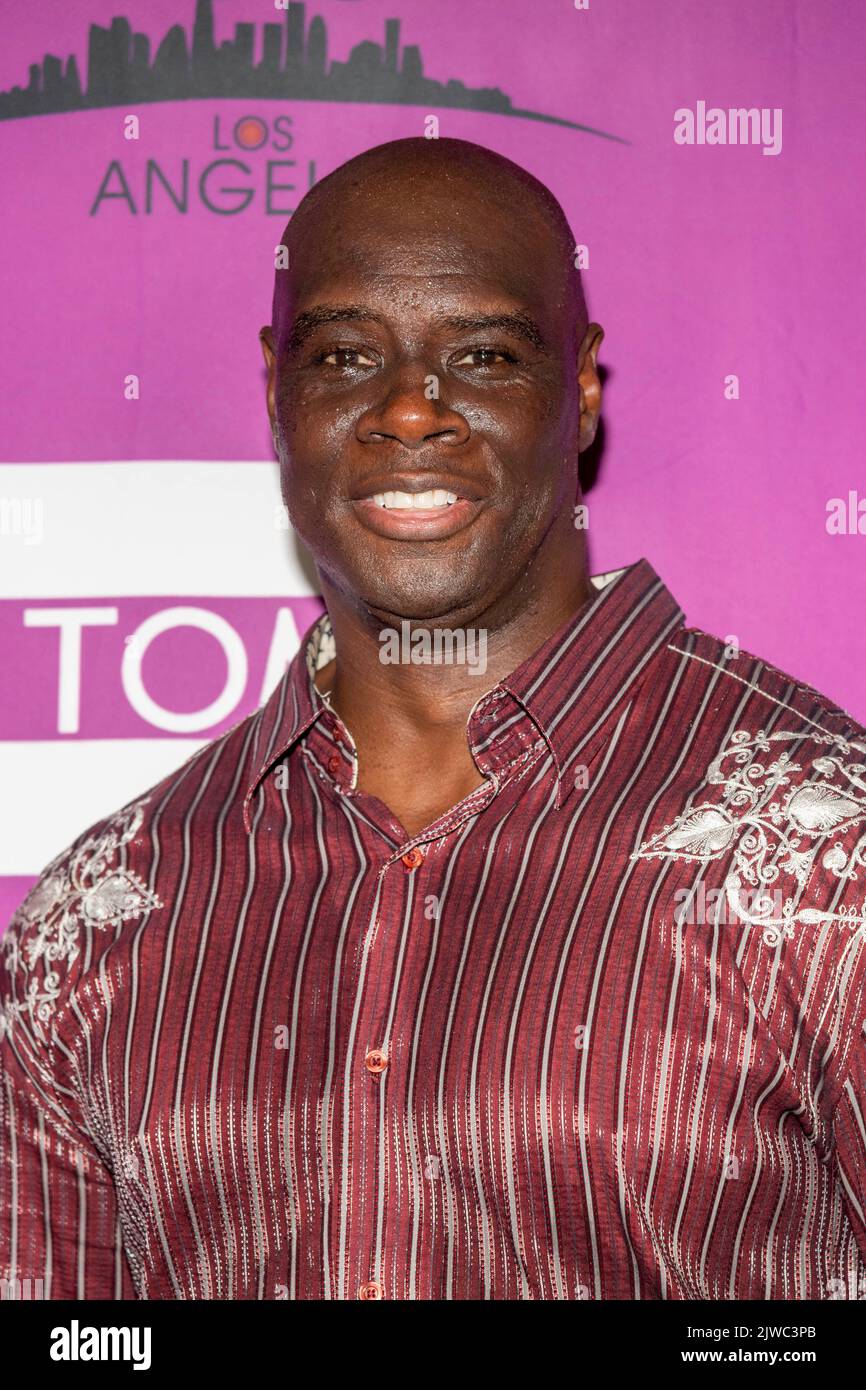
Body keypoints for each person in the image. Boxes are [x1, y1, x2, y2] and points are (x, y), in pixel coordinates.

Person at [2, 136, 865, 1302]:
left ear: (583, 387)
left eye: (486, 355)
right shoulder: (104, 910)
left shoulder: (825, 852)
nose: (410, 407)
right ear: (276, 390)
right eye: (347, 354)